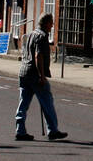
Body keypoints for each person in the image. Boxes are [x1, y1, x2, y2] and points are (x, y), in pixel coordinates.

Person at [14, 12, 66, 141]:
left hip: (24, 72)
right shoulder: (42, 36)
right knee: (47, 102)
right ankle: (53, 130)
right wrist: (42, 76)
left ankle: (20, 130)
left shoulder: (31, 34)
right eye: (51, 23)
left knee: (23, 103)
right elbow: (39, 56)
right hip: (34, 74)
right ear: (47, 23)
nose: (52, 25)